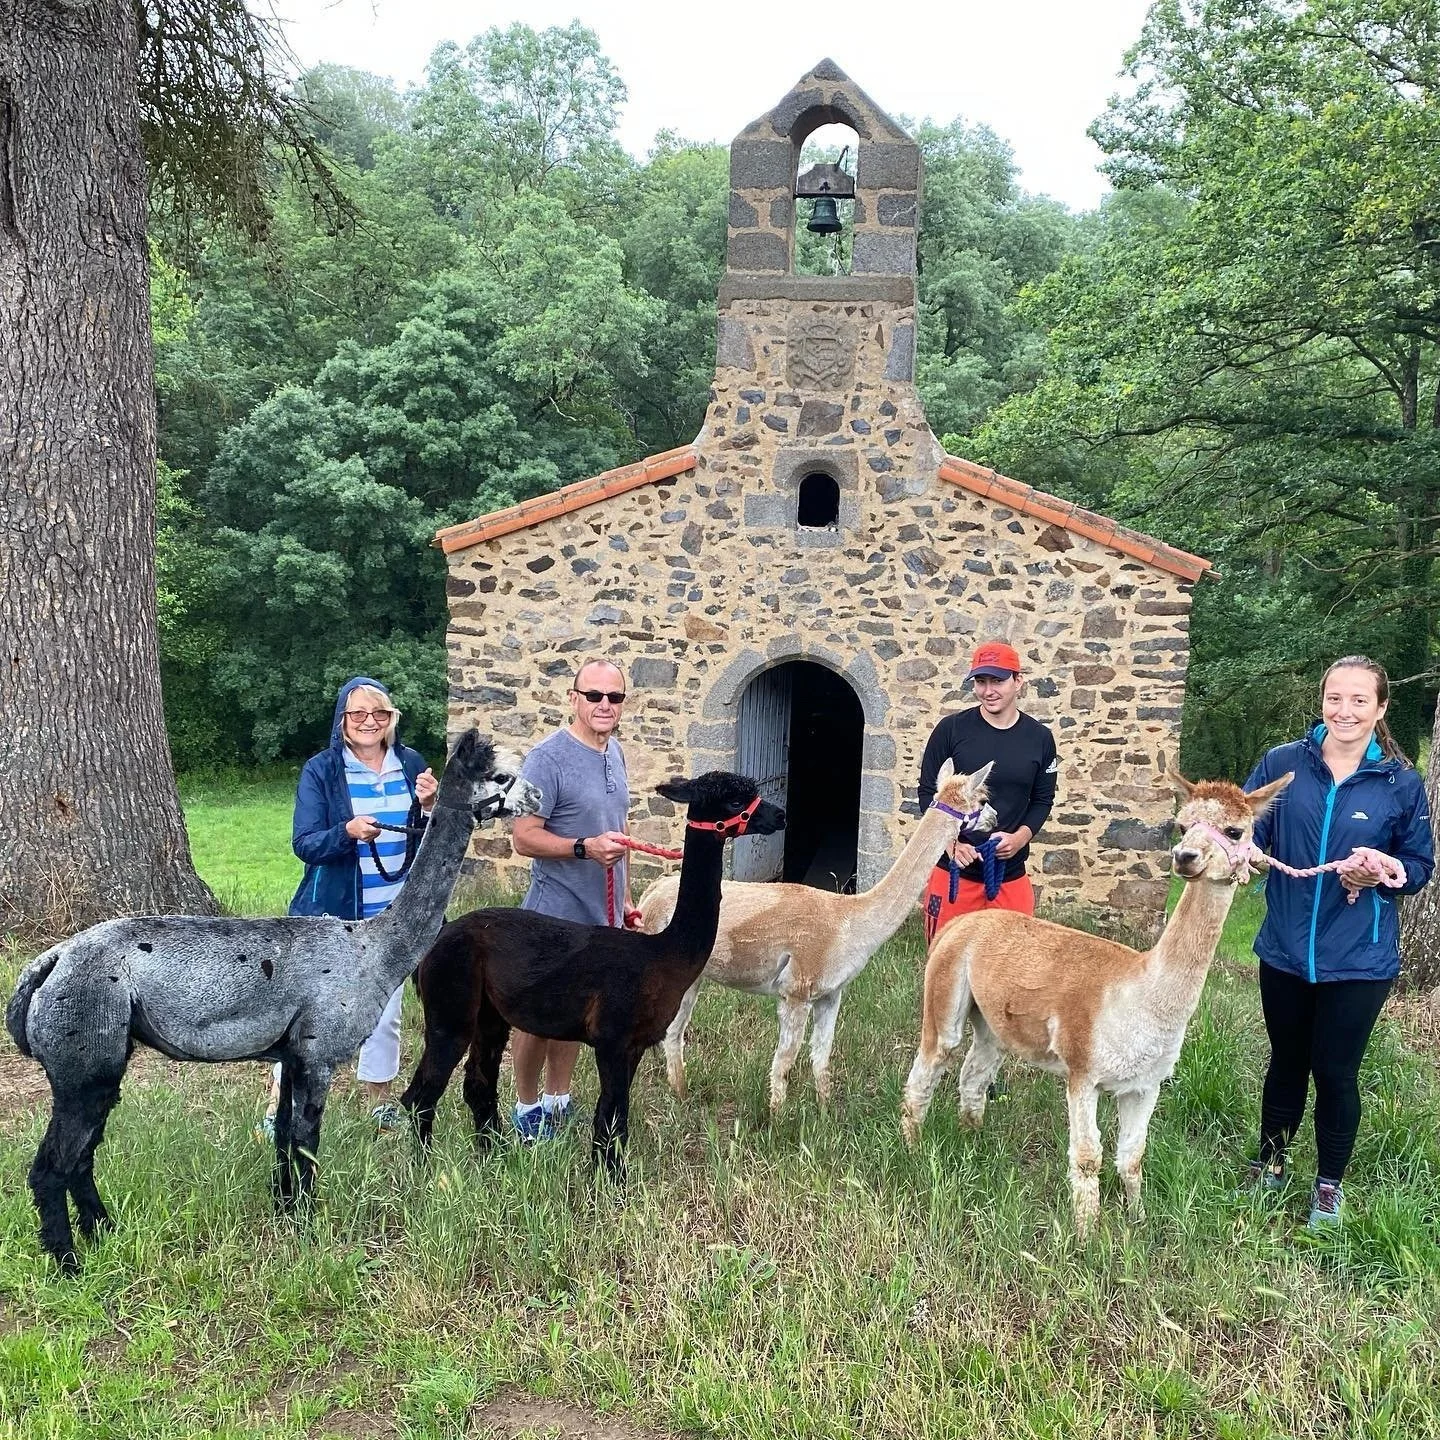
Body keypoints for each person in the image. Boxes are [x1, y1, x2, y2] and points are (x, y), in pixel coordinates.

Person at [1241, 655, 1433, 1228]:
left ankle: (1328, 1185)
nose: (1343, 711)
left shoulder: (1401, 783)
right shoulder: (1283, 765)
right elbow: (1246, 826)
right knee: (1286, 1061)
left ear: (1380, 708)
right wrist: (1239, 851)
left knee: (1335, 1070)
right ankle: (1270, 1164)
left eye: (1358, 701)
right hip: (1285, 949)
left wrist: (1381, 869)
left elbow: (1419, 866)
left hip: (1359, 959)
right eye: (1334, 698)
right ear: (1321, 700)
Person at [260, 676, 437, 1136]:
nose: (369, 722)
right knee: (307, 1012)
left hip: (394, 914)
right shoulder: (322, 769)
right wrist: (348, 833)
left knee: (385, 1009)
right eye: (358, 714)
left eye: (379, 714)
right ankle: (281, 1103)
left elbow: (424, 833)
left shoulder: (411, 763)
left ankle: (379, 1100)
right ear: (342, 721)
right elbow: (305, 843)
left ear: (391, 719)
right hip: (332, 913)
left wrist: (430, 805)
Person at [508, 658, 633, 1141]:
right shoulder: (546, 759)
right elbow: (523, 837)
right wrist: (582, 848)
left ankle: (559, 1099)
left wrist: (624, 898)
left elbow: (621, 830)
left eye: (614, 697)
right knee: (536, 1018)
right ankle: (526, 1107)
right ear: (573, 698)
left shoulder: (616, 752)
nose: (605, 705)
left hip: (600, 917)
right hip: (552, 916)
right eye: (595, 695)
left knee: (580, 1015)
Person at [917, 641, 1059, 944]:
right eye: (981, 681)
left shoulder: (1040, 739)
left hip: (1008, 876)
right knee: (945, 973)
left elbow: (1042, 800)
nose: (988, 690)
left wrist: (1020, 838)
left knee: (1011, 972)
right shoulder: (951, 730)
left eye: (998, 680)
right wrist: (950, 844)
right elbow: (928, 793)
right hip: (954, 875)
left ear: (1018, 681)